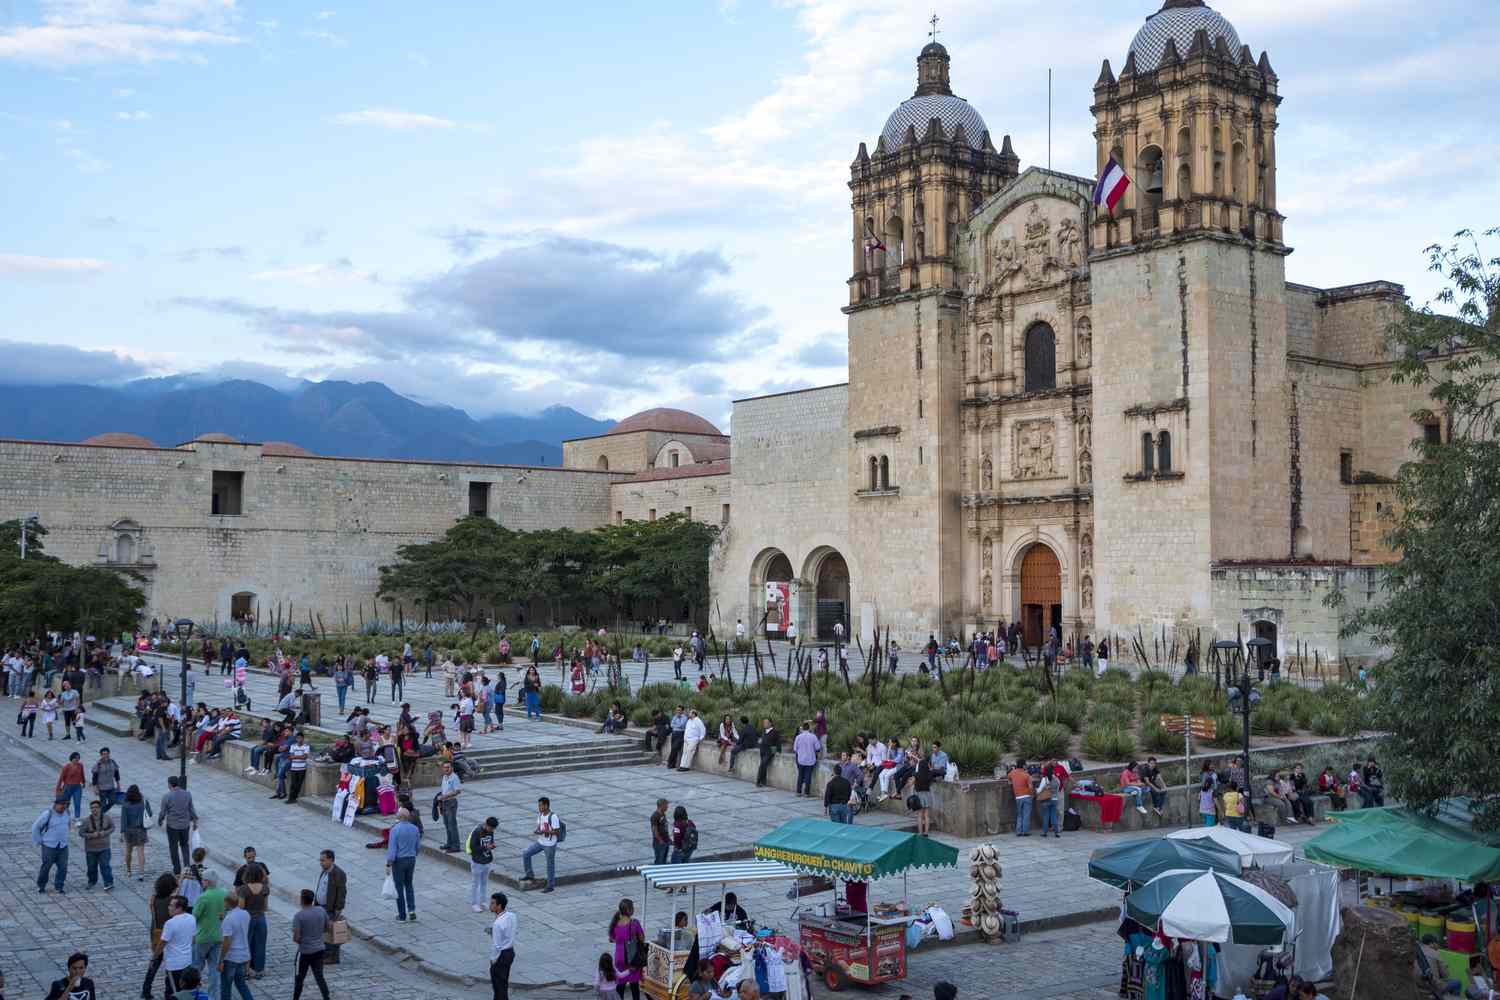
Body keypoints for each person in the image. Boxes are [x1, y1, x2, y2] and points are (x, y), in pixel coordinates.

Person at [233, 853, 271, 979]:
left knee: (246, 943)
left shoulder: (244, 889)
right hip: (260, 918)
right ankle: (259, 970)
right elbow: (265, 907)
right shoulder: (265, 888)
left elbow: (241, 907)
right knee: (260, 944)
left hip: (247, 919)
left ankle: (246, 969)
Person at [290, 889, 330, 1000]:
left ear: (302, 900)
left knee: (300, 978)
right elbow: (327, 927)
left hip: (305, 952)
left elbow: (296, 938)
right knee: (319, 976)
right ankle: (326, 997)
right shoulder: (321, 910)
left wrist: (303, 940)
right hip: (319, 949)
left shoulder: (299, 916)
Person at [193, 871, 227, 999]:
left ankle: (194, 993)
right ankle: (214, 997)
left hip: (203, 937)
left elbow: (195, 917)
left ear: (207, 882)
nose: (202, 882)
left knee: (196, 967)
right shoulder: (224, 893)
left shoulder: (203, 897)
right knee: (214, 969)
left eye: (203, 880)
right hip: (218, 936)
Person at [158, 775, 200, 875]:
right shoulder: (187, 794)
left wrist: (160, 820)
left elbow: (163, 812)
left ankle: (177, 869)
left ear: (169, 784)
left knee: (173, 847)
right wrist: (195, 821)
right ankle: (186, 867)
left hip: (172, 826)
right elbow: (191, 809)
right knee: (185, 845)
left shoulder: (167, 796)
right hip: (185, 825)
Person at [386, 808, 421, 922]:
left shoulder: (395, 830)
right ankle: (412, 910)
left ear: (399, 817)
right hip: (411, 859)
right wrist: (414, 854)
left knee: (399, 887)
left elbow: (392, 850)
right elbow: (418, 846)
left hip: (399, 861)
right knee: (409, 884)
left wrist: (388, 863)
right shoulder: (415, 829)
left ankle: (402, 915)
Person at [160, 893, 198, 994]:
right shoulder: (192, 918)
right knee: (185, 991)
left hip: (174, 964)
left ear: (179, 908)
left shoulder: (170, 923)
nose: (169, 907)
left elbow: (162, 943)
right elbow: (194, 940)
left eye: (171, 905)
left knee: (172, 991)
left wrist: (154, 957)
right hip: (187, 961)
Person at [218, 893, 253, 1000]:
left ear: (227, 903)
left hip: (231, 957)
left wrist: (221, 959)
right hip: (243, 955)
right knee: (241, 984)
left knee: (226, 987)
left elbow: (227, 942)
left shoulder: (229, 919)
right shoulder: (246, 914)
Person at [522, 796, 561, 893]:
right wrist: (538, 831)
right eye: (539, 805)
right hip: (540, 842)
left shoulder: (553, 816)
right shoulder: (540, 815)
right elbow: (540, 827)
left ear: (546, 805)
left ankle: (550, 885)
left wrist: (544, 831)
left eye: (541, 805)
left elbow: (557, 832)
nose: (539, 807)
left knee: (550, 864)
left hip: (550, 844)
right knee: (526, 853)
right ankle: (529, 874)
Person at [33, 795, 72, 893]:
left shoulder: (67, 812)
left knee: (63, 867)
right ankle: (41, 885)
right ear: (55, 804)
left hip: (63, 845)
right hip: (49, 846)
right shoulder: (48, 814)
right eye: (61, 805)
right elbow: (35, 827)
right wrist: (39, 840)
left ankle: (59, 886)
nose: (63, 807)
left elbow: (68, 824)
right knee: (46, 866)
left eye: (65, 805)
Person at [610, 898, 645, 1000]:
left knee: (620, 985)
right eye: (632, 907)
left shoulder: (615, 924)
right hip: (632, 957)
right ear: (629, 910)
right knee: (634, 986)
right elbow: (642, 938)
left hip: (619, 957)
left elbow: (612, 939)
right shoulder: (635, 923)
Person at [79, 799, 116, 891]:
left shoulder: (107, 818)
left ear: (100, 808)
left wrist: (104, 833)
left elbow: (112, 827)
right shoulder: (86, 821)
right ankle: (91, 881)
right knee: (91, 867)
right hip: (91, 849)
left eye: (95, 808)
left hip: (104, 847)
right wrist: (92, 835)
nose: (94, 810)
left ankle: (108, 882)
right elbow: (81, 833)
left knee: (105, 866)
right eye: (92, 808)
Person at [120, 783, 152, 878]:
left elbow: (123, 820)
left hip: (129, 830)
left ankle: (129, 870)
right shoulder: (142, 803)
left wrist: (122, 833)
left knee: (128, 852)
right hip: (140, 830)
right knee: (141, 852)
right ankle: (141, 873)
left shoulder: (125, 805)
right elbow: (149, 814)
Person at [489, 892, 516, 1000]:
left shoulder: (497, 924)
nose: (490, 906)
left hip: (502, 955)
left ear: (499, 906)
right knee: (503, 983)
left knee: (498, 986)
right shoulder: (512, 916)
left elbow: (496, 945)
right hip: (510, 952)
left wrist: (493, 959)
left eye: (492, 903)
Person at [469, 817, 499, 912]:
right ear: (486, 825)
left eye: (493, 829)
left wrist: (492, 846)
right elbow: (473, 847)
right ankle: (474, 903)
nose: (492, 830)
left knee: (484, 883)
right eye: (491, 828)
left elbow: (491, 842)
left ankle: (483, 902)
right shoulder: (477, 832)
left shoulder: (491, 831)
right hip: (477, 861)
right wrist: (486, 847)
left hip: (487, 860)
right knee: (475, 883)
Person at [439, 760, 464, 851]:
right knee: (446, 824)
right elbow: (443, 790)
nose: (446, 769)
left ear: (451, 768)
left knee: (452, 825)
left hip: (451, 802)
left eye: (448, 767)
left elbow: (457, 791)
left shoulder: (454, 777)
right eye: (444, 767)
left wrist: (445, 796)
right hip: (444, 802)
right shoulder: (444, 777)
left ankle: (456, 846)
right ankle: (449, 843)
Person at [92, 746, 123, 813]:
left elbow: (117, 774)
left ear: (109, 754)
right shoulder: (98, 765)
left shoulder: (113, 762)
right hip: (102, 788)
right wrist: (95, 788)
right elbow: (94, 777)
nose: (105, 755)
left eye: (107, 754)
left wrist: (118, 785)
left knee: (113, 801)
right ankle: (102, 815)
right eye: (103, 754)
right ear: (101, 755)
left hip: (111, 787)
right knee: (103, 804)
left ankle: (101, 812)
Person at [792, 721, 820, 796]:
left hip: (801, 759)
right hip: (810, 760)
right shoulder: (813, 736)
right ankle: (807, 793)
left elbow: (795, 749)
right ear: (809, 728)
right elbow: (818, 747)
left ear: (802, 728)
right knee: (808, 776)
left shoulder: (798, 737)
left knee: (800, 775)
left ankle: (798, 791)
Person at [1008, 760, 1035, 836]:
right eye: (1025, 765)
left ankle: (1018, 831)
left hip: (1018, 797)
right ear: (1023, 766)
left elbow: (1008, 777)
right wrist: (1032, 794)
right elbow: (1030, 787)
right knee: (1026, 814)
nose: (1026, 766)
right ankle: (1025, 831)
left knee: (1019, 815)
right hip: (1026, 796)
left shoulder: (1013, 773)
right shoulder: (1026, 775)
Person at [912, 755, 937, 835]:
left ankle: (920, 832)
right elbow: (932, 781)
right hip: (927, 794)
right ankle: (926, 832)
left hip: (919, 795)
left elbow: (910, 783)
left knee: (919, 815)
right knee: (927, 815)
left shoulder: (916, 774)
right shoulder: (929, 774)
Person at [57, 750, 86, 818]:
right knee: (66, 803)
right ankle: (65, 816)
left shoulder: (80, 765)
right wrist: (58, 789)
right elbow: (61, 779)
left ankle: (77, 818)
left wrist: (83, 782)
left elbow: (82, 774)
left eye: (78, 758)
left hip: (77, 787)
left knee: (77, 803)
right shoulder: (66, 767)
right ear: (71, 759)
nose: (77, 760)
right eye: (75, 758)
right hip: (68, 787)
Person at [755, 718, 779, 788]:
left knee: (762, 765)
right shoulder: (764, 731)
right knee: (764, 766)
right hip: (762, 751)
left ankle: (758, 781)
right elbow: (761, 740)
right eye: (764, 722)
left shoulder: (774, 732)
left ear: (770, 723)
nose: (764, 724)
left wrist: (776, 751)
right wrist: (759, 742)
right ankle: (763, 781)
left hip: (769, 752)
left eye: (766, 722)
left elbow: (777, 742)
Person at [650, 799, 671, 865]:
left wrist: (668, 839)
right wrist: (660, 840)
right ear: (661, 805)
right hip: (659, 843)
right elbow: (654, 830)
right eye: (666, 805)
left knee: (664, 861)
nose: (667, 807)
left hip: (665, 841)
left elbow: (664, 827)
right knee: (659, 861)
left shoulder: (663, 814)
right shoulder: (655, 816)